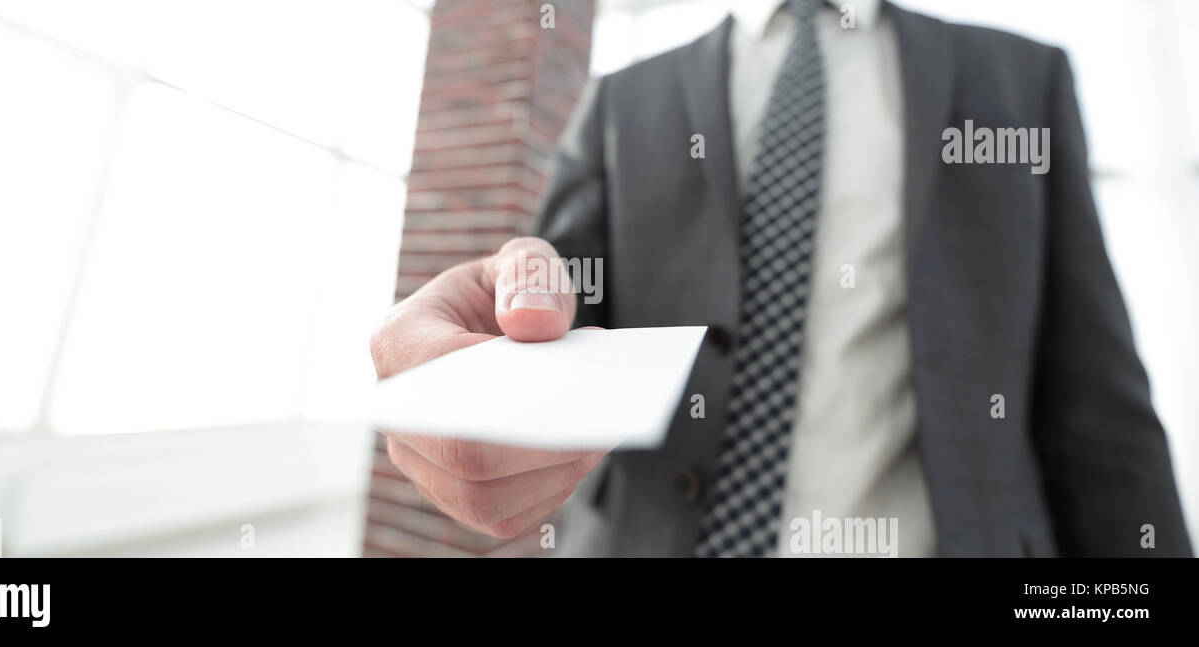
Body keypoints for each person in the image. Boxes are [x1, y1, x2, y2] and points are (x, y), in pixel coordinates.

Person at [368, 0, 1192, 557]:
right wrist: (489, 370)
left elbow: (1099, 406)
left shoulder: (1019, 81)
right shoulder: (622, 101)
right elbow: (554, 313)